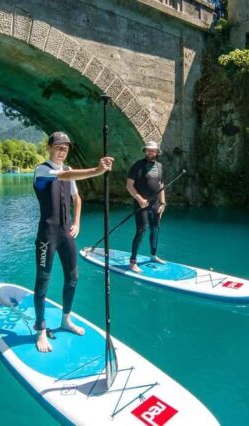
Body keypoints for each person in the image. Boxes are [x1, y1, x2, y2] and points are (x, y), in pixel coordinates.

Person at [33, 131, 114, 353]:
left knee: (73, 277)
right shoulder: (42, 170)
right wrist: (97, 171)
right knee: (43, 282)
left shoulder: (69, 170)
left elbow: (76, 198)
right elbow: (62, 177)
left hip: (66, 234)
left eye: (66, 147)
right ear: (49, 147)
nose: (62, 150)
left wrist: (77, 222)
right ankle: (40, 329)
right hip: (47, 236)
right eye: (58, 146)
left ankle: (65, 320)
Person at [126, 141, 166, 273]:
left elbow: (161, 185)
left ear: (156, 152)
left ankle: (153, 256)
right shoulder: (138, 165)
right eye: (148, 150)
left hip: (155, 204)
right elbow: (129, 185)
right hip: (141, 203)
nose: (150, 152)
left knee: (155, 229)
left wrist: (163, 203)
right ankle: (132, 262)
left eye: (153, 150)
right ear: (145, 151)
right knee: (141, 230)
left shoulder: (160, 166)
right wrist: (139, 199)